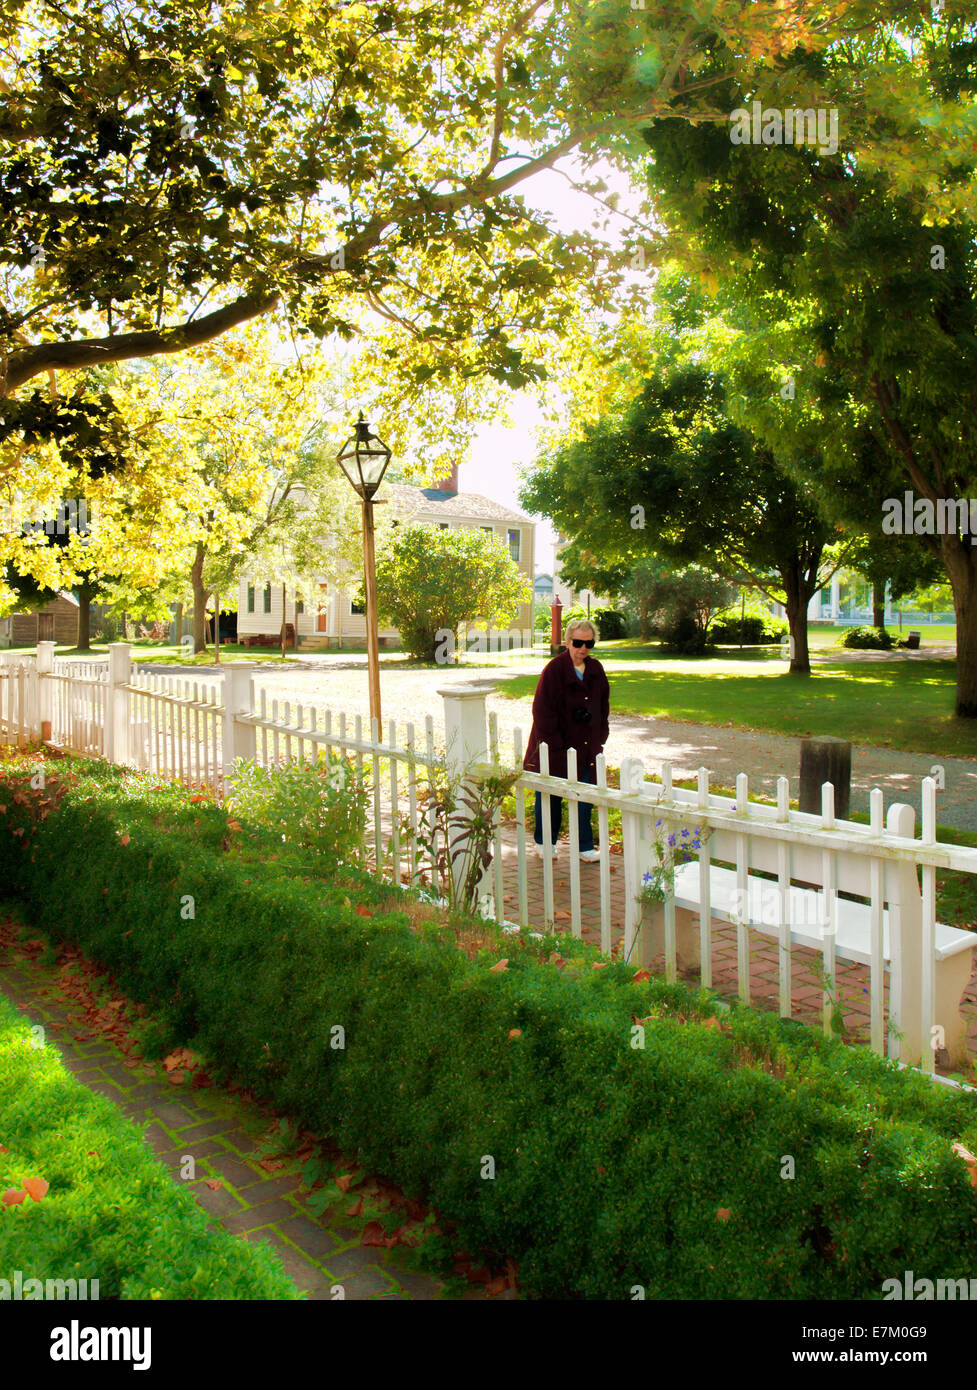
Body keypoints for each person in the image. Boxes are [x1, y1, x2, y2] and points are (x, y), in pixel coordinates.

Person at [522, 618, 610, 862]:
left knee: (585, 794)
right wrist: (556, 744)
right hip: (555, 746)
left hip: (586, 746)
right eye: (578, 642)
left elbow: (603, 707)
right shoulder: (554, 669)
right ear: (568, 642)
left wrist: (600, 735)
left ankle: (584, 846)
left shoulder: (595, 669)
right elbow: (542, 711)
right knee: (550, 796)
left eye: (588, 643)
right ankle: (544, 843)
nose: (583, 648)